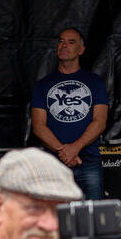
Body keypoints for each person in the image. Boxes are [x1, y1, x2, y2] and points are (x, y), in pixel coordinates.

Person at [30, 27, 109, 199]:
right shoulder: (43, 85)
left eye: (70, 42)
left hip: (88, 161)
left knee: (94, 219)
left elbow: (100, 121)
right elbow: (38, 126)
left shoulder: (95, 83)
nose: (64, 45)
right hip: (53, 164)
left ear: (81, 50)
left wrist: (75, 148)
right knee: (55, 221)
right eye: (61, 41)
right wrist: (64, 153)